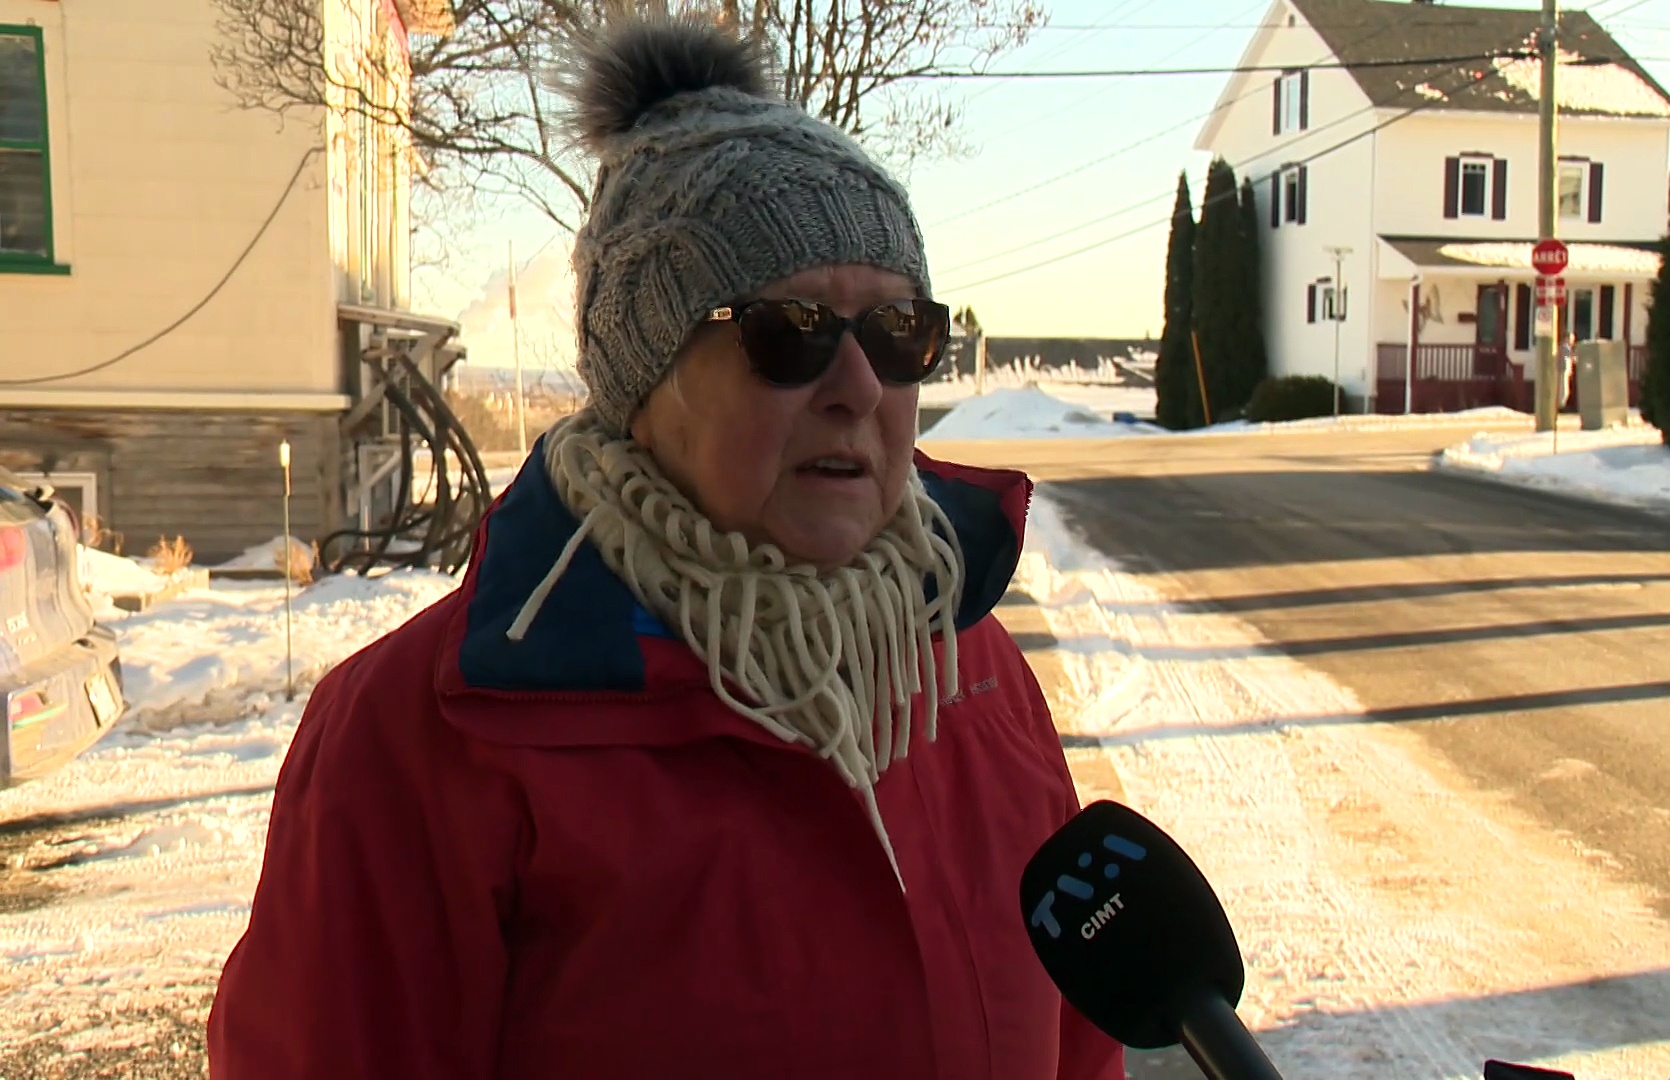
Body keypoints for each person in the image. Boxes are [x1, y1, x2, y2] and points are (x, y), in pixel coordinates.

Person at [205, 15, 1125, 1080]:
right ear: (645, 384)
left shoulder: (972, 682)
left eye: (898, 333)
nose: (861, 388)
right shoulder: (426, 738)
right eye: (791, 334)